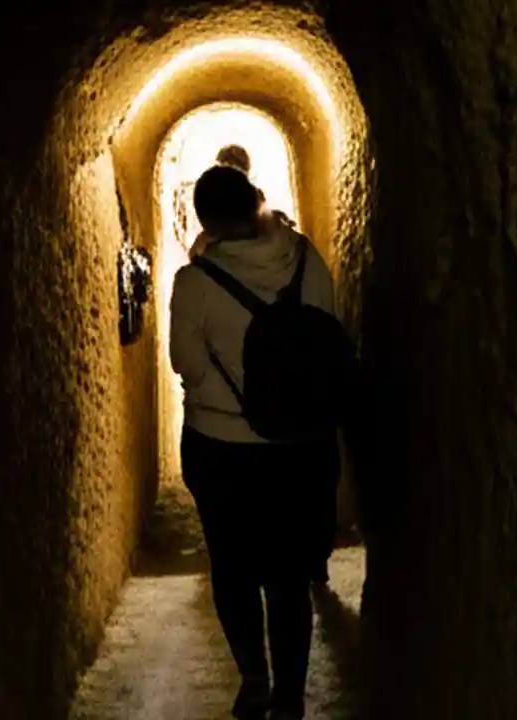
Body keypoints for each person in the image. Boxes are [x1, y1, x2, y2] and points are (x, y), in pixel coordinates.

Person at [170, 165, 342, 720]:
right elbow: (328, 336)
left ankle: (255, 682)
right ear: (256, 203)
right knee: (289, 576)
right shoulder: (305, 259)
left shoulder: (195, 281)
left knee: (234, 568)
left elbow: (187, 365)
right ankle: (292, 693)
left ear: (207, 220)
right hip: (300, 445)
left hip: (222, 447)